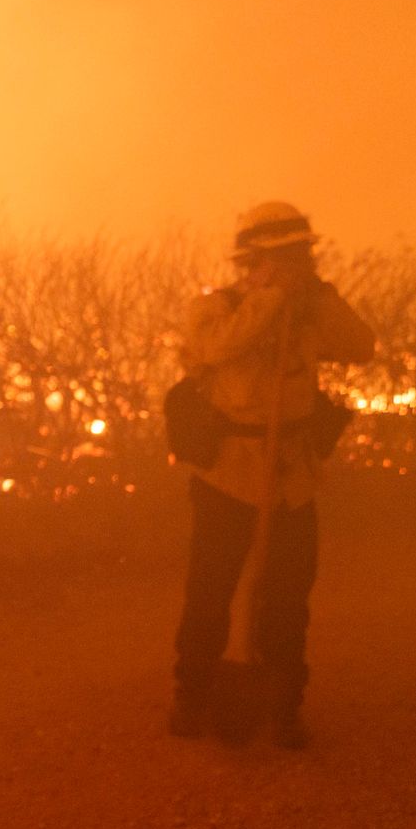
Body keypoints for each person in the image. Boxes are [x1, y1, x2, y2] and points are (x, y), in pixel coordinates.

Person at [169, 200, 376, 748]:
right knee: (209, 593)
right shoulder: (215, 310)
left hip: (292, 479)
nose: (295, 266)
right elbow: (216, 349)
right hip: (228, 477)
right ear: (252, 262)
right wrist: (268, 299)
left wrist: (318, 297)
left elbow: (362, 347)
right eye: (282, 258)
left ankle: (284, 705)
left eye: (300, 257)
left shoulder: (310, 311)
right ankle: (193, 694)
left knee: (288, 599)